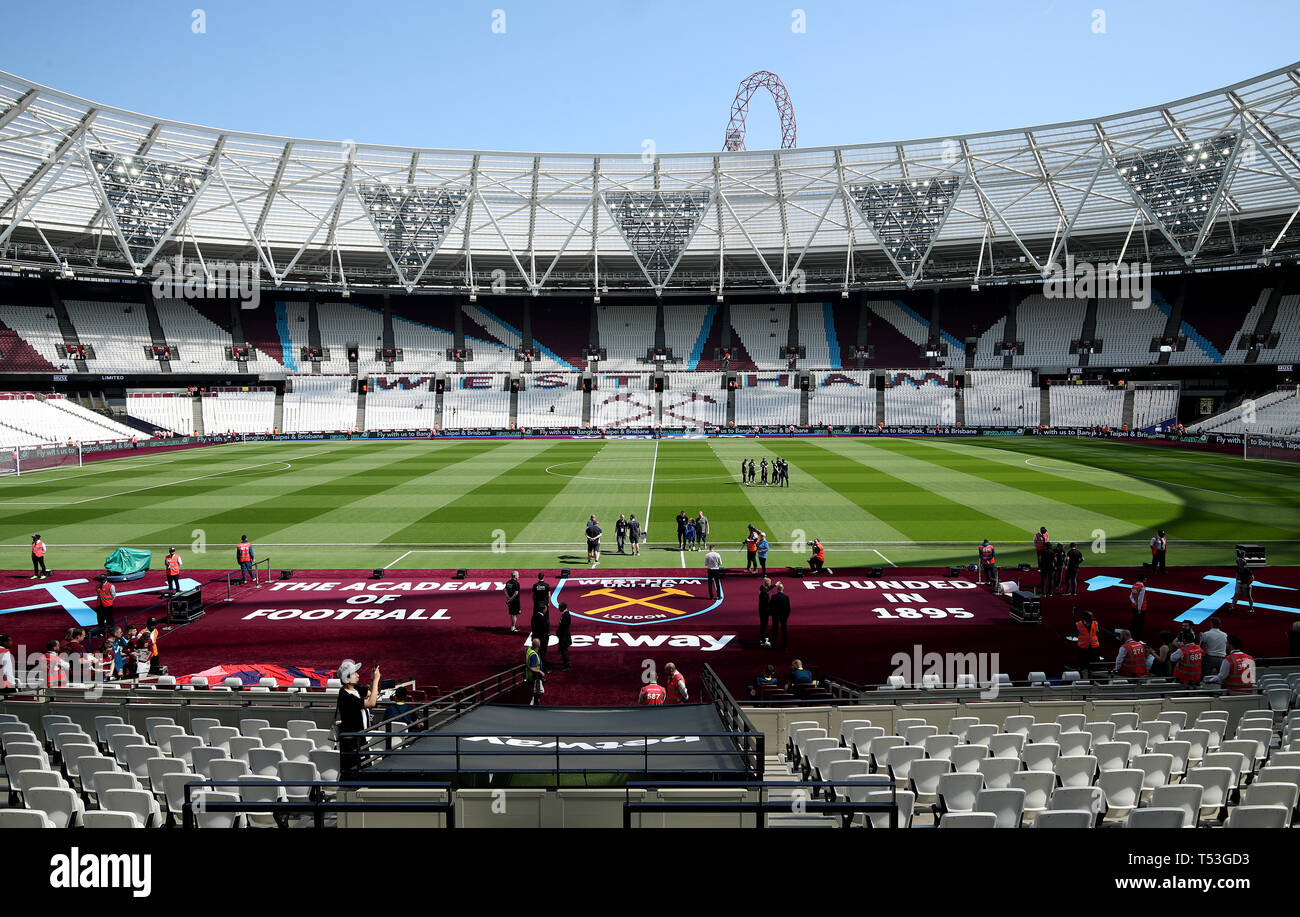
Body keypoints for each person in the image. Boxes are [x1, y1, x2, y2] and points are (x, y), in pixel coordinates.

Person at [335, 659, 381, 774]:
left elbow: (371, 693)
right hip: (352, 741)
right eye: (355, 673)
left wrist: (372, 679)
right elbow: (371, 703)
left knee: (365, 766)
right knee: (357, 769)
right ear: (347, 678)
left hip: (361, 738)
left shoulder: (356, 689)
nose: (358, 675)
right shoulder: (346, 697)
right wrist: (376, 680)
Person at [531, 574, 551, 669]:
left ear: (538, 577)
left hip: (537, 604)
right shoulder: (547, 585)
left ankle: (536, 631)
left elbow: (533, 596)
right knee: (545, 620)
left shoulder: (535, 585)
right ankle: (546, 632)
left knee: (535, 618)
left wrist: (535, 602)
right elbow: (549, 595)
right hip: (544, 604)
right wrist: (548, 603)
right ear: (544, 577)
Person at [769, 581, 791, 650]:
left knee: (774, 630)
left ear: (777, 589)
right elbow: (788, 608)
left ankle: (773, 644)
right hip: (783, 616)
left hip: (775, 616)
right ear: (783, 589)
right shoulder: (786, 597)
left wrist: (771, 614)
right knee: (784, 631)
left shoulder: (773, 596)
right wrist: (786, 616)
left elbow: (770, 606)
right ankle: (784, 646)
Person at [526, 637, 546, 705]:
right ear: (538, 645)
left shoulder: (529, 649)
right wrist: (540, 672)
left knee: (536, 690)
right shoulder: (534, 655)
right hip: (535, 676)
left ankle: (534, 699)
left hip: (532, 675)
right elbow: (532, 667)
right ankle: (534, 701)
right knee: (540, 691)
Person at [1129, 575, 1149, 640]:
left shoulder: (1134, 585)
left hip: (1134, 607)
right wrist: (1139, 609)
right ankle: (1137, 638)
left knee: (1134, 621)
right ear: (1143, 579)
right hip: (1141, 608)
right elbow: (1141, 599)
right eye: (1145, 579)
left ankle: (1130, 635)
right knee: (1140, 624)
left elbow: (1131, 596)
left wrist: (1134, 602)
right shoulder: (1142, 587)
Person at [555, 601, 572, 672]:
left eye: (559, 607)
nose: (558, 608)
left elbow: (563, 627)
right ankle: (566, 663)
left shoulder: (566, 615)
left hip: (564, 636)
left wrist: (558, 633)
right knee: (563, 650)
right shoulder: (565, 614)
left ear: (562, 607)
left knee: (564, 650)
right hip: (563, 635)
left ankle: (567, 665)